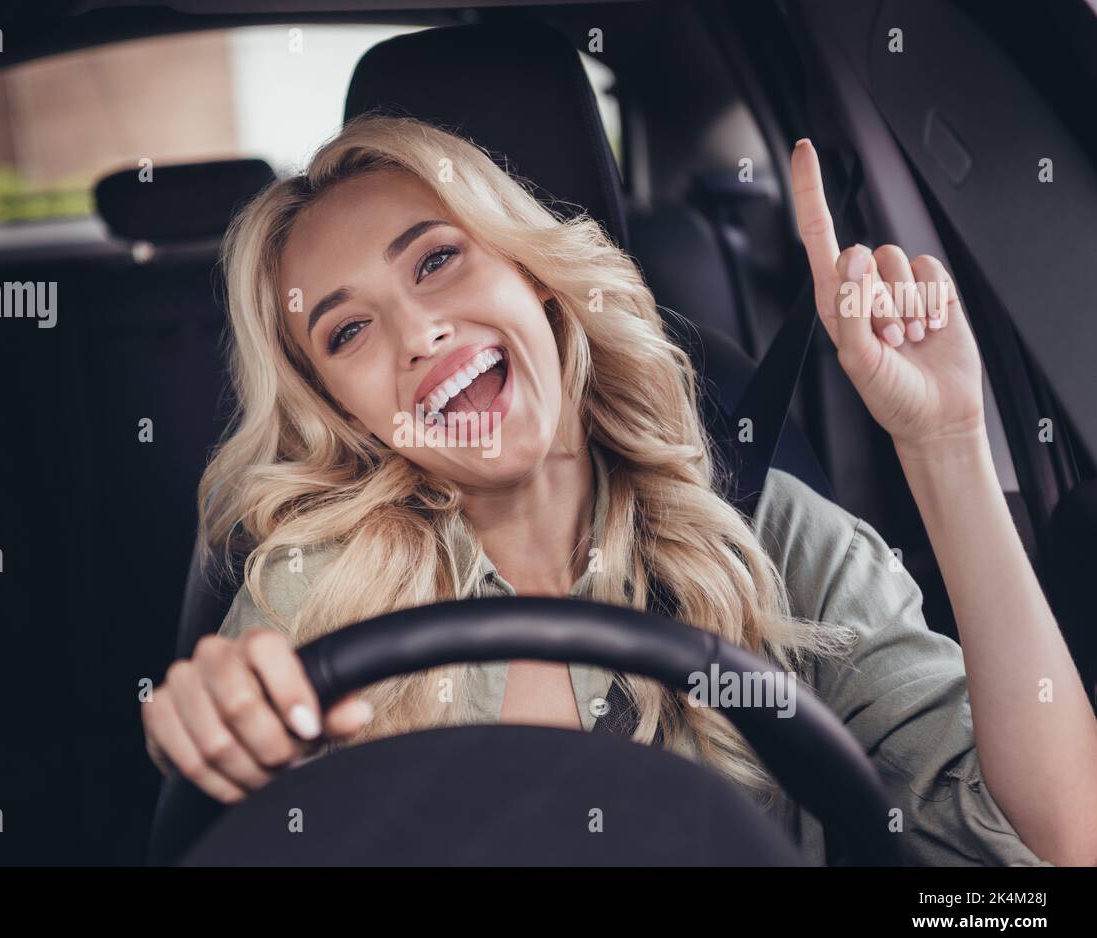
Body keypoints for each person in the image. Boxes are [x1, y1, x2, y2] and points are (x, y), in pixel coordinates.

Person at [140, 112, 1097, 866]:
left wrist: (947, 443)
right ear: (345, 413)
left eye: (438, 260)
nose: (419, 334)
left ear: (538, 280)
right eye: (347, 333)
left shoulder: (766, 534)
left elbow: (1060, 846)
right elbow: (240, 773)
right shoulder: (317, 593)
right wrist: (225, 742)